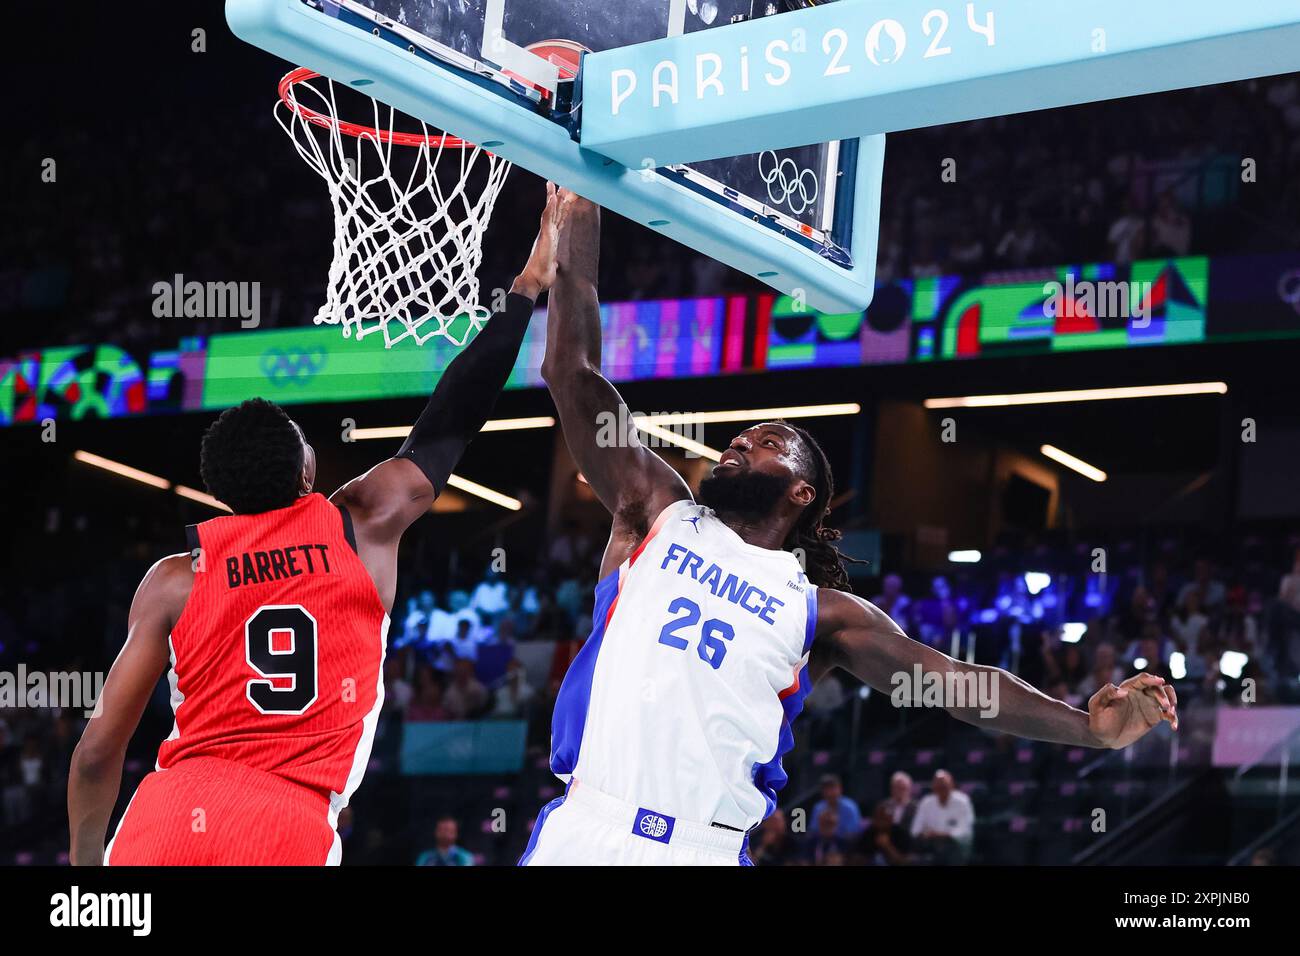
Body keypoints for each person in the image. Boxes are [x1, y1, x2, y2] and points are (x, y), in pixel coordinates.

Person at [519, 192, 1179, 867]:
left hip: (701, 849)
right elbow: (571, 372)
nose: (740, 443)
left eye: (767, 442)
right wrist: (582, 206)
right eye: (741, 438)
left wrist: (1088, 729)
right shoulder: (655, 509)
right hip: (585, 825)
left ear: (801, 493)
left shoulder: (821, 612)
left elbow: (954, 684)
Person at [66, 186, 564, 866]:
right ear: (307, 472)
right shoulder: (362, 522)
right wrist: (527, 286)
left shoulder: (174, 579)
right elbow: (452, 417)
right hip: (286, 818)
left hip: (167, 811)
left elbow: (97, 750)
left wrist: (88, 866)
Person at [910, 770, 974, 865]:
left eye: (944, 786)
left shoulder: (962, 801)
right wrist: (926, 835)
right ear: (933, 787)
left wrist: (943, 835)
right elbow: (915, 830)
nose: (941, 789)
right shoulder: (926, 802)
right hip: (932, 845)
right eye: (938, 787)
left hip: (956, 847)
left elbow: (965, 830)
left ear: (952, 785)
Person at [854, 800, 911, 866]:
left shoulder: (901, 834)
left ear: (891, 819)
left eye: (883, 819)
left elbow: (904, 862)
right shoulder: (869, 832)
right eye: (877, 818)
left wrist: (887, 846)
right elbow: (858, 856)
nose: (880, 823)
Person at [810, 774, 862, 839]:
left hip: (845, 844)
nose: (829, 793)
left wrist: (833, 828)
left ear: (840, 789)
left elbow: (854, 833)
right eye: (826, 789)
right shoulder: (818, 807)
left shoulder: (850, 807)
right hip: (822, 843)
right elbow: (813, 831)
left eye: (832, 788)